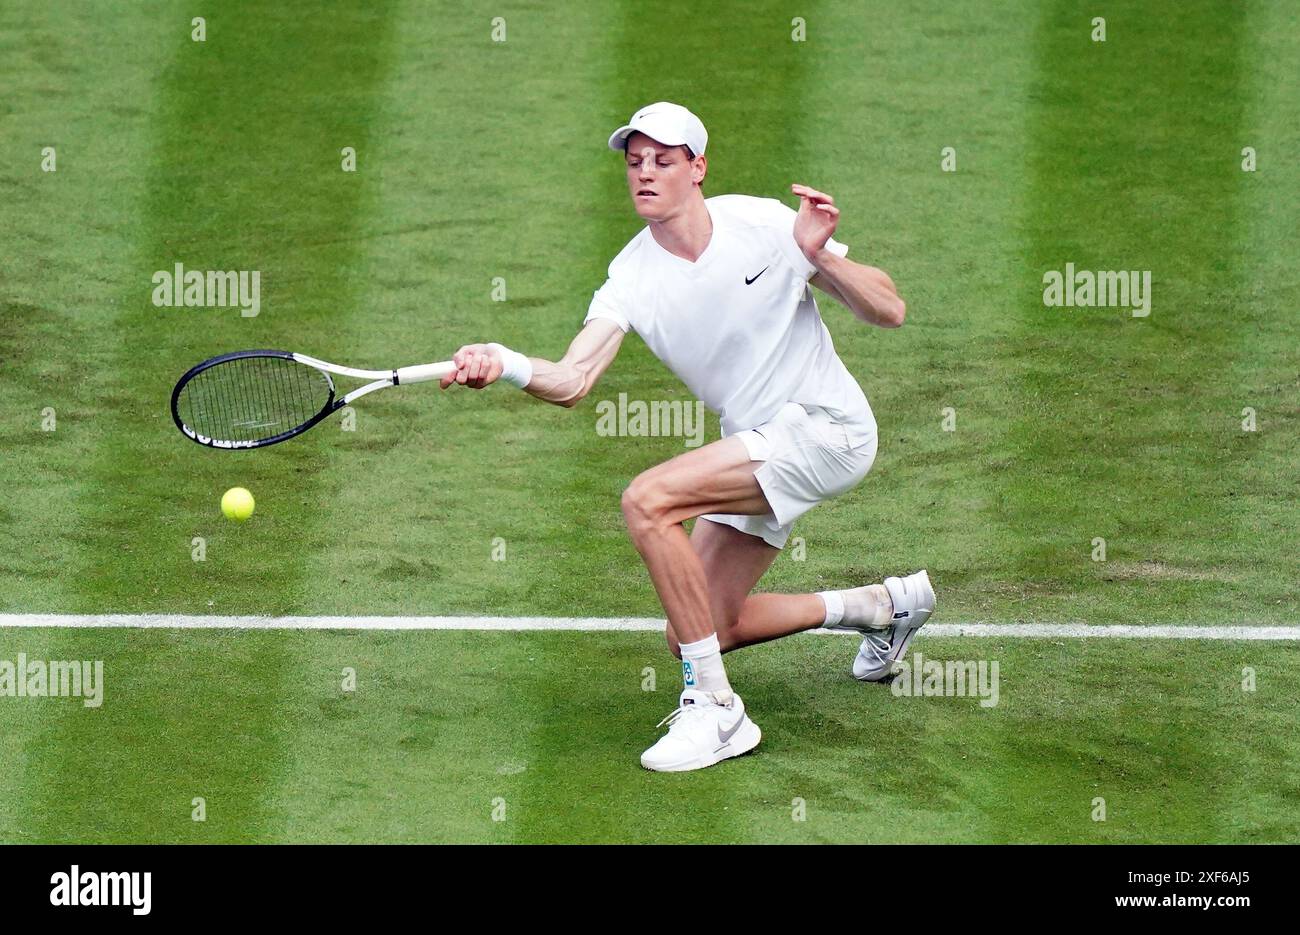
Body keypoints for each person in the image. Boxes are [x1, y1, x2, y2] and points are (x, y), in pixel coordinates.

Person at [441, 102, 935, 772]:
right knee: (697, 627)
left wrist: (815, 253)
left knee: (648, 500)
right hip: (756, 441)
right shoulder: (632, 278)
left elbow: (889, 309)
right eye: (634, 161)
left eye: (663, 161)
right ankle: (883, 606)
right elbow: (574, 377)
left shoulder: (763, 224)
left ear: (696, 169)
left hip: (827, 430)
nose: (644, 173)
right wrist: (505, 362)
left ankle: (717, 709)